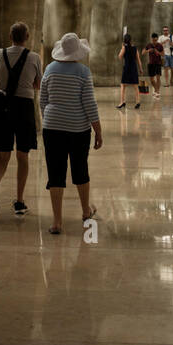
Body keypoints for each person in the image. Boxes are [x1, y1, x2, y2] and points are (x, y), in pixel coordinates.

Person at [39, 32, 102, 235]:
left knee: (55, 173)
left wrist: (50, 118)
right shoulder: (83, 72)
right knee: (80, 169)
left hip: (52, 128)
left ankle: (57, 222)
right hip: (77, 129)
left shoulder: (49, 69)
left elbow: (43, 100)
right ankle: (85, 211)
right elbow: (89, 104)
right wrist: (98, 131)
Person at [0, 21, 42, 219]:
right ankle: (19, 201)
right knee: (22, 156)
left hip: (2, 107)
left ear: (10, 37)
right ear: (27, 38)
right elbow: (37, 84)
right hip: (24, 108)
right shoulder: (34, 57)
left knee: (2, 156)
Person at [118, 34, 143, 108]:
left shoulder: (124, 48)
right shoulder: (135, 48)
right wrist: (141, 69)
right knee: (135, 86)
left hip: (126, 68)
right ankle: (138, 102)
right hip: (133, 68)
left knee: (123, 85)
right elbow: (138, 59)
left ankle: (122, 102)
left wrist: (121, 48)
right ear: (131, 40)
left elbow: (120, 57)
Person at [143, 32, 163, 99]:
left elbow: (163, 54)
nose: (154, 41)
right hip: (151, 63)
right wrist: (148, 50)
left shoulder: (160, 45)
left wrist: (158, 52)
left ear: (157, 39)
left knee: (158, 78)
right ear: (151, 39)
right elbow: (142, 52)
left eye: (155, 40)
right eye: (153, 40)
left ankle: (157, 91)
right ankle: (156, 89)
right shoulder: (148, 45)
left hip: (158, 63)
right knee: (151, 80)